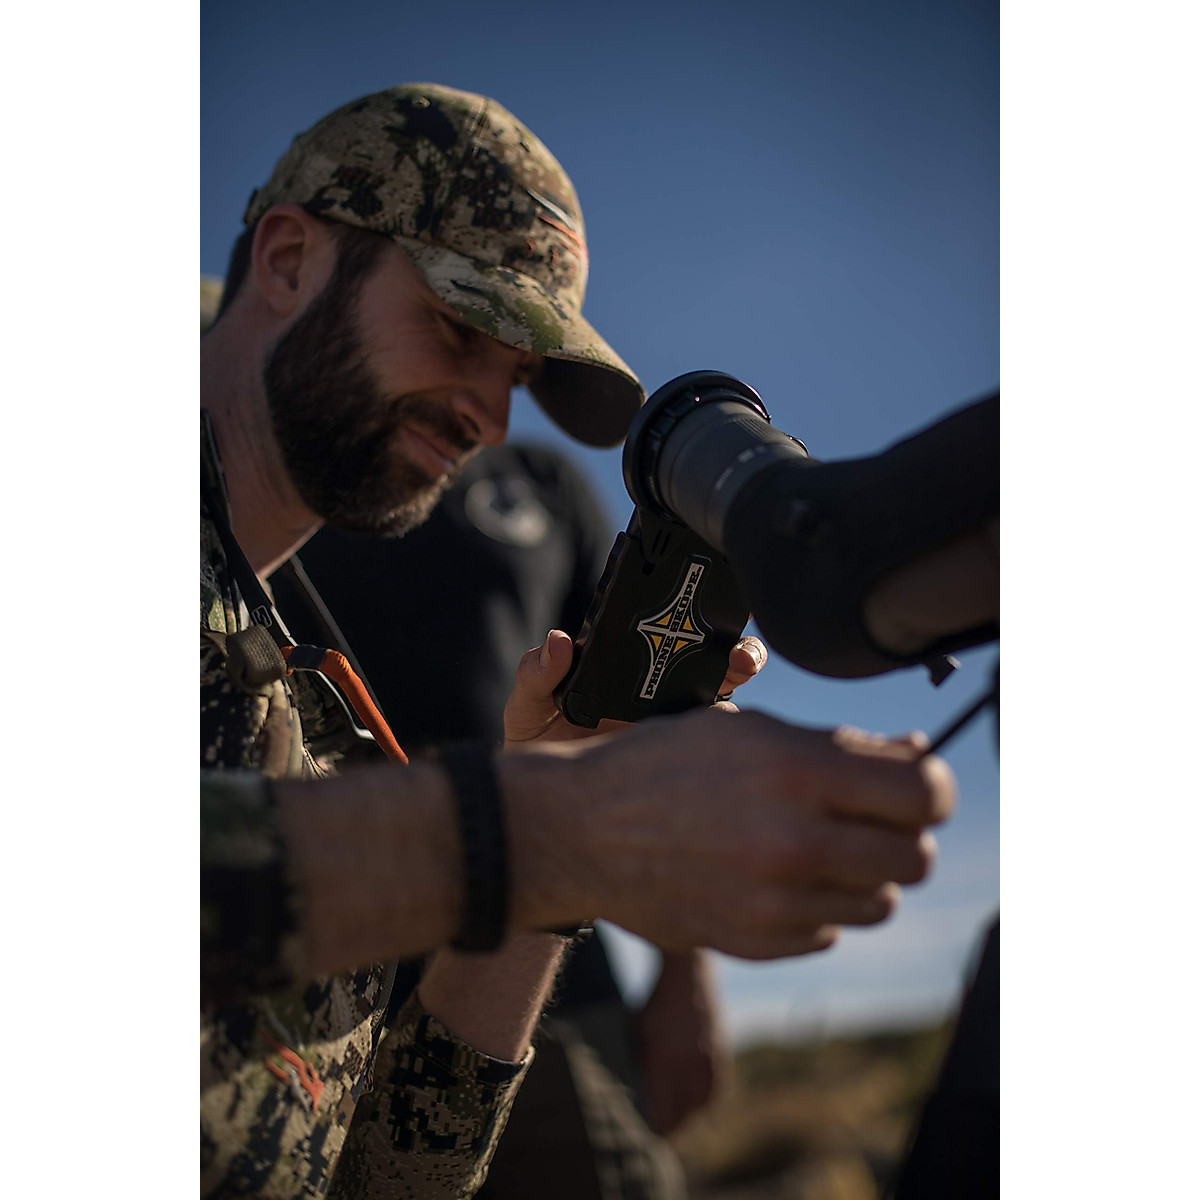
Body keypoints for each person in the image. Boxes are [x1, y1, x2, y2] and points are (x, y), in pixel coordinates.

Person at [200, 82, 956, 1198]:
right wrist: (544, 830)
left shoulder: (296, 698)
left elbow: (390, 1179)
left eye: (518, 375)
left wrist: (546, 881)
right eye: (459, 326)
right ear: (286, 259)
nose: (490, 418)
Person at [272, 441, 721, 1198]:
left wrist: (686, 970)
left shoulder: (543, 485)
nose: (497, 402)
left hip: (543, 970)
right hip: (307, 980)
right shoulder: (271, 461)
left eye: (523, 382)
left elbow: (632, 723)